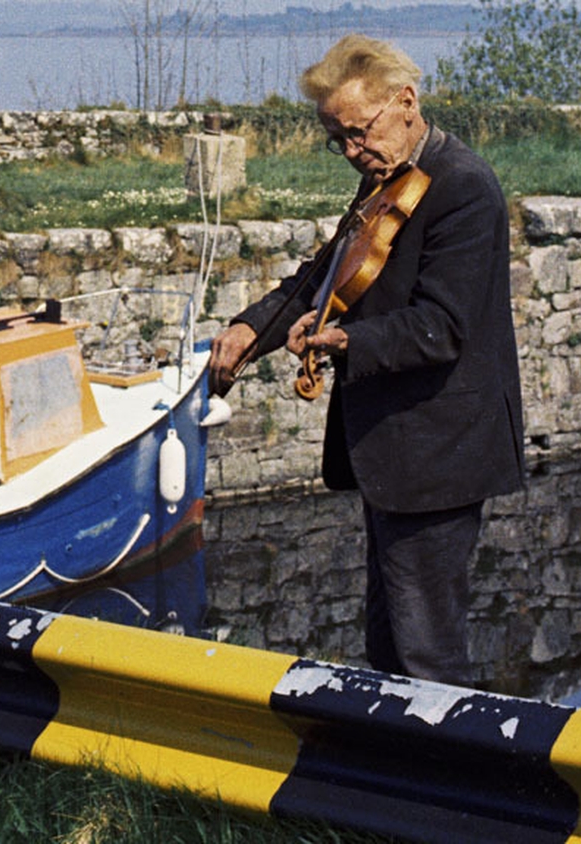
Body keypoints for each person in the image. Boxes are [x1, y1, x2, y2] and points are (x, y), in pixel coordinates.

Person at [207, 34, 525, 686]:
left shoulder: (464, 189)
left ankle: (438, 780)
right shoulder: (386, 178)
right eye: (340, 140)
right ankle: (392, 776)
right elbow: (322, 277)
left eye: (360, 132)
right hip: (394, 451)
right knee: (389, 644)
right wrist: (249, 328)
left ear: (406, 101)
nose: (354, 152)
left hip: (440, 452)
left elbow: (444, 327)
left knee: (428, 655)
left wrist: (347, 342)